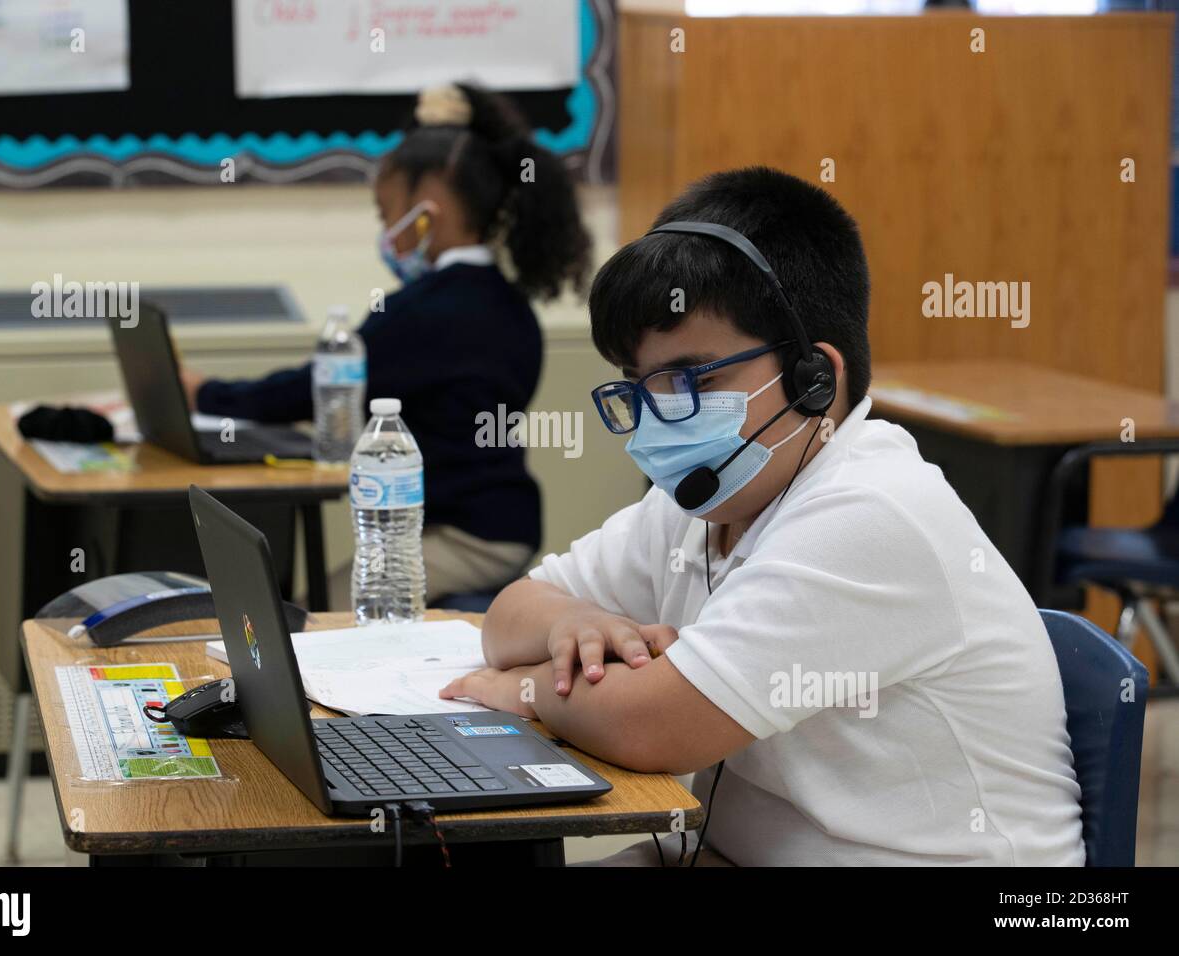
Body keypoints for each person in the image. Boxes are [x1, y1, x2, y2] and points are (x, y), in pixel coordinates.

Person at [439, 166, 1085, 866]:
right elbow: (508, 615)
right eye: (640, 387)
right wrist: (570, 624)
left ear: (815, 379)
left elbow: (652, 726)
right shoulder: (707, 498)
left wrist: (526, 687)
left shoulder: (871, 510)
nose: (659, 417)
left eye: (694, 380)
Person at [182, 84, 591, 605]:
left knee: (308, 619)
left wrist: (206, 393)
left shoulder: (426, 312)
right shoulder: (508, 305)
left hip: (465, 538)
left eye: (385, 215)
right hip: (500, 525)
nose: (385, 233)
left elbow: (316, 387)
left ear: (428, 212)